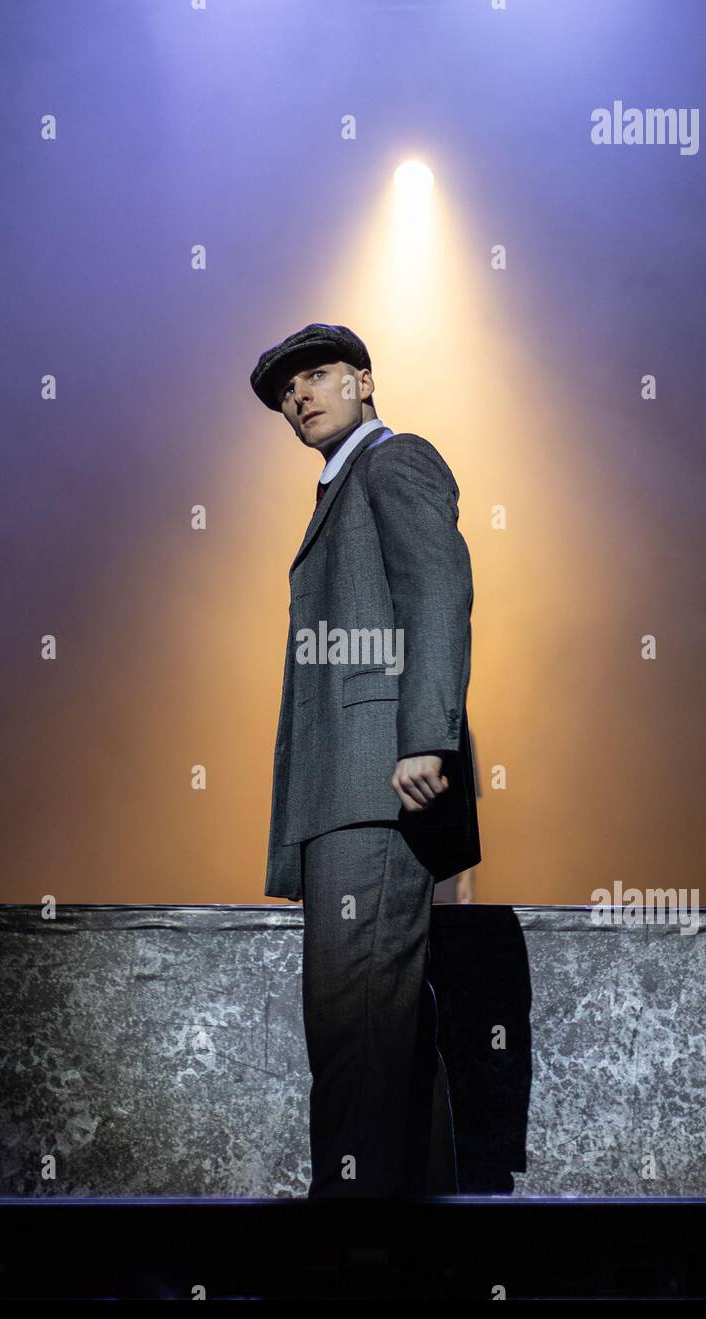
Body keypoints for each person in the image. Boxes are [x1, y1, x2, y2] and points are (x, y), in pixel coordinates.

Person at [251, 322, 481, 1198]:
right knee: (382, 1030)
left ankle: (349, 1242)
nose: (300, 397)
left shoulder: (394, 461)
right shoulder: (336, 489)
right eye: (286, 392)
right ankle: (416, 1248)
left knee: (356, 1028)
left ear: (364, 379)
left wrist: (426, 734)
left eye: (316, 376)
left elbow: (439, 590)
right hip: (342, 793)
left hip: (379, 788)